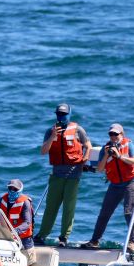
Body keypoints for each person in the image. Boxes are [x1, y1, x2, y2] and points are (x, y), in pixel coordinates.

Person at [34, 102, 92, 247]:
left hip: (73, 174)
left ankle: (63, 237)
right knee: (51, 207)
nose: (61, 117)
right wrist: (53, 136)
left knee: (68, 207)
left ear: (69, 114)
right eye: (59, 114)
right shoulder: (50, 131)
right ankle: (42, 235)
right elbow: (43, 151)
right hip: (56, 174)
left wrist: (85, 159)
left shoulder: (78, 130)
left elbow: (88, 146)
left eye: (64, 114)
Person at [79, 123, 134, 255]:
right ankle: (95, 241)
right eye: (111, 134)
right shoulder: (105, 149)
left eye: (116, 134)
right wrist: (107, 155)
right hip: (115, 183)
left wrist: (119, 156)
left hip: (132, 181)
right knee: (104, 213)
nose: (113, 137)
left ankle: (133, 242)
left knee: (129, 212)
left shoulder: (128, 145)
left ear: (121, 134)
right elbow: (101, 169)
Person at [0, 179, 36, 266]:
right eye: (10, 188)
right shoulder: (2, 200)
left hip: (24, 240)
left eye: (15, 189)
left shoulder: (25, 202)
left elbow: (27, 223)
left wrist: (15, 232)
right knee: (7, 263)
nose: (12, 191)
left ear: (20, 190)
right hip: (7, 238)